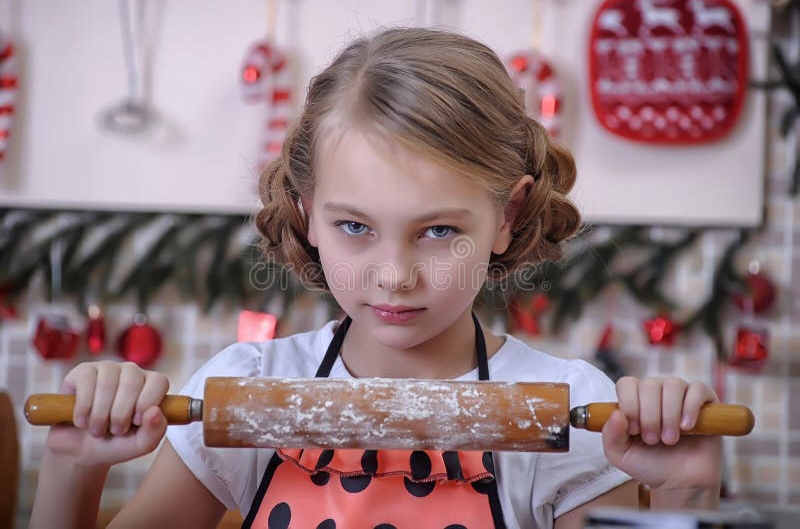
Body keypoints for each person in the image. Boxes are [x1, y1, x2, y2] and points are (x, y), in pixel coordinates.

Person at [30, 27, 721, 529]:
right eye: (354, 227)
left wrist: (682, 489)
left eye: (439, 230)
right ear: (305, 214)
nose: (394, 276)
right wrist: (74, 466)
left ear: (506, 216)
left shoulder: (568, 408)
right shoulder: (243, 392)